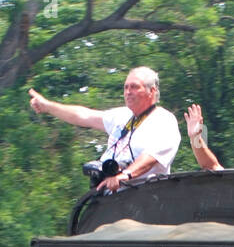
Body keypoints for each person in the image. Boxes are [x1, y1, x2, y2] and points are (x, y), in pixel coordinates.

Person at [28, 67, 180, 192]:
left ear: (151, 91)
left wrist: (125, 175)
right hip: (109, 197)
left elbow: (150, 158)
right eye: (126, 87)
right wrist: (47, 106)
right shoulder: (122, 116)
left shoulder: (163, 120)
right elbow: (83, 115)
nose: (128, 92)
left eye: (134, 87)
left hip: (144, 196)